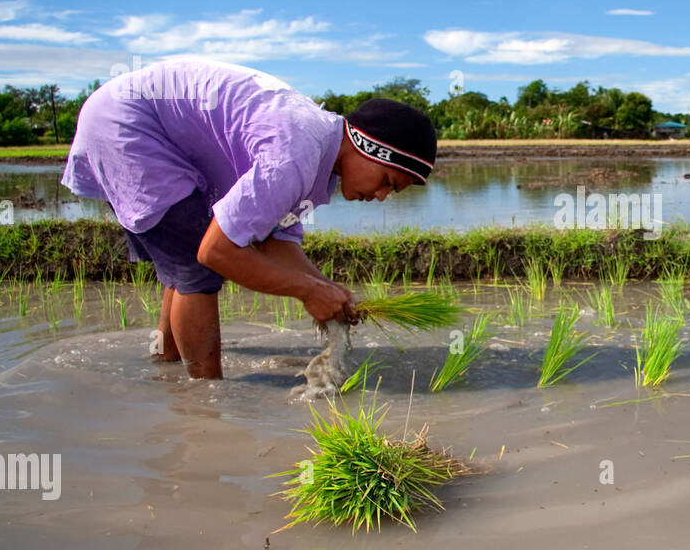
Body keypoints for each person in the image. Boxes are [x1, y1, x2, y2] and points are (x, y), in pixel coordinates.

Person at [60, 58, 437, 379]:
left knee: (182, 262)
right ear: (366, 147)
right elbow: (216, 252)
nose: (382, 196)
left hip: (130, 118)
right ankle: (203, 402)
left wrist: (327, 291)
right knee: (196, 264)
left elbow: (275, 239)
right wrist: (307, 291)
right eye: (387, 181)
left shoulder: (317, 154)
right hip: (128, 126)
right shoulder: (294, 156)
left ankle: (166, 365)